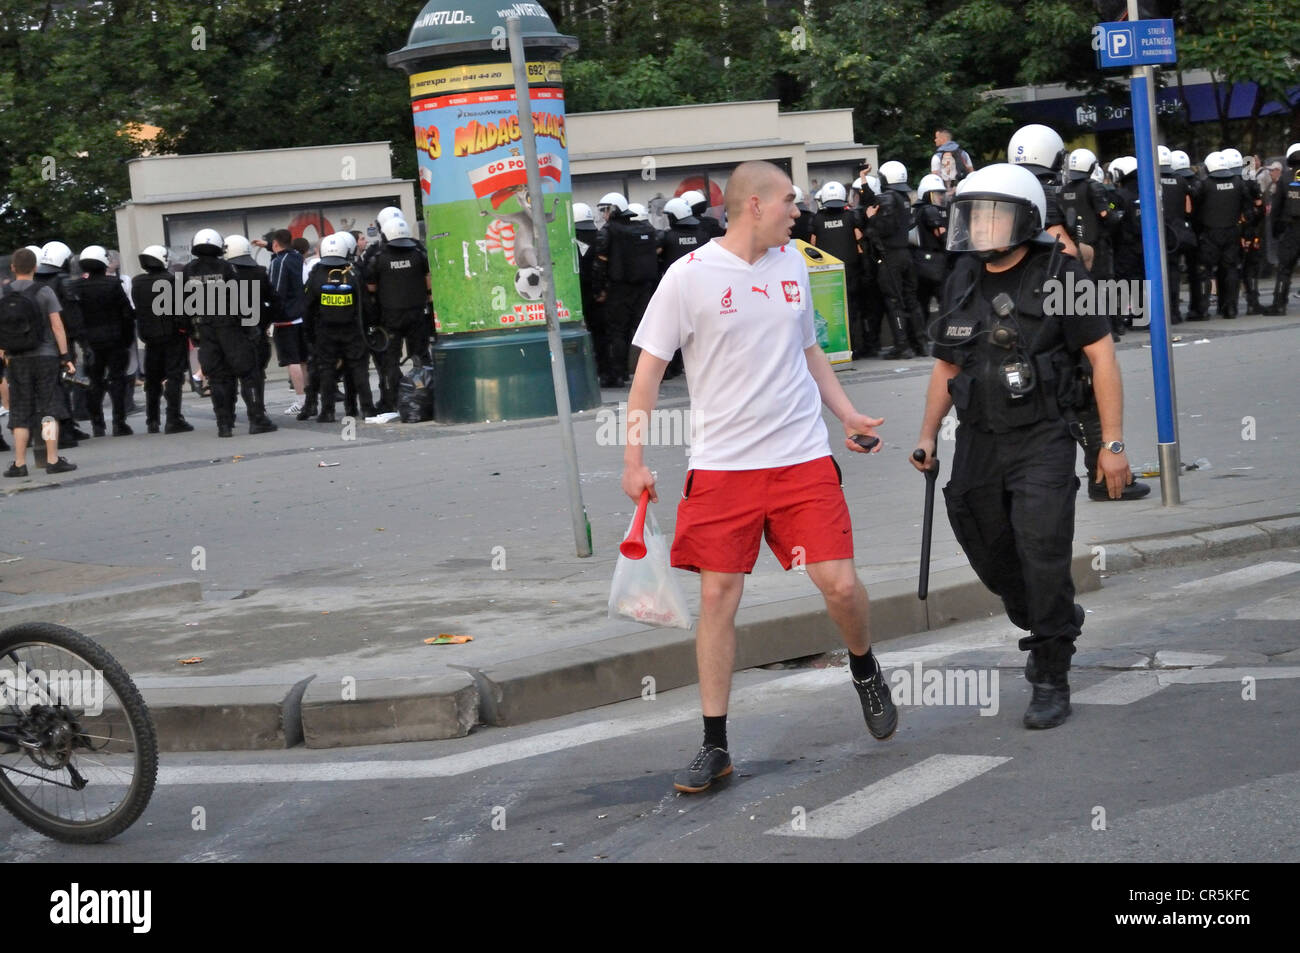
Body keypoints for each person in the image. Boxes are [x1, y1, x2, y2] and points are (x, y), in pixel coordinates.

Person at [623, 160, 897, 794]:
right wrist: (633, 461)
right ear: (753, 206)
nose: (796, 212)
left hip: (801, 457)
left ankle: (862, 665)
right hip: (723, 467)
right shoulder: (687, 278)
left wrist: (847, 412)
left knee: (840, 584)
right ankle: (714, 745)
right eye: (788, 203)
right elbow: (645, 376)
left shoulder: (794, 264)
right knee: (718, 600)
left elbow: (809, 351)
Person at [910, 164, 1134, 729]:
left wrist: (1111, 444)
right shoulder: (961, 276)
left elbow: (1102, 358)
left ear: (1025, 219)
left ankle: (1051, 670)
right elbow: (946, 362)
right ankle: (1045, 614)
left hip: (1043, 439)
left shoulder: (1061, 276)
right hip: (979, 440)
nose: (980, 226)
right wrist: (926, 433)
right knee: (985, 544)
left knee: (1042, 550)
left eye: (993, 214)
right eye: (973, 214)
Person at [2, 248, 77, 476]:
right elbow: (57, 326)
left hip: (16, 357)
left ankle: (19, 463)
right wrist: (65, 356)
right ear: (35, 267)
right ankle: (53, 460)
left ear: (13, 268)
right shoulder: (44, 291)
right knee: (48, 410)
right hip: (45, 356)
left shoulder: (4, 293)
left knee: (21, 410)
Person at [304, 233, 376, 423]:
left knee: (326, 371)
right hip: (353, 331)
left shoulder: (317, 274)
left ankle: (327, 411)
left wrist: (309, 334)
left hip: (325, 332)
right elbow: (366, 305)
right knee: (359, 370)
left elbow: (307, 306)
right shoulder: (352, 272)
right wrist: (369, 326)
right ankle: (367, 409)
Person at [592, 193, 658, 386]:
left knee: (617, 332)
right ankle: (648, 373)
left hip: (618, 290)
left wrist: (598, 290)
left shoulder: (609, 231)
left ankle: (618, 374)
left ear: (613, 210)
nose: (603, 214)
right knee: (641, 330)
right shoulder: (644, 229)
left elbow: (599, 265)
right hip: (643, 289)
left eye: (605, 210)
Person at [366, 216, 431, 413]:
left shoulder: (378, 258)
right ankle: (426, 395)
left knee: (390, 361)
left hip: (391, 318)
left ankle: (392, 401)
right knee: (421, 357)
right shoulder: (419, 254)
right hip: (417, 315)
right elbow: (428, 282)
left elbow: (370, 288)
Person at [73, 244, 136, 437]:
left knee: (94, 382)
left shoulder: (77, 287)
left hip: (91, 342)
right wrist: (126, 339)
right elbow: (127, 314)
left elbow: (76, 318)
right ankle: (119, 422)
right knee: (117, 380)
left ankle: (97, 424)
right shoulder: (113, 284)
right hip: (115, 339)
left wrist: (83, 342)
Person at [866, 160, 926, 358]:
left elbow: (883, 227)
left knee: (894, 301)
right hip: (905, 253)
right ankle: (921, 343)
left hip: (891, 256)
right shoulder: (904, 197)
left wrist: (871, 219)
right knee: (911, 299)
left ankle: (902, 346)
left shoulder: (889, 198)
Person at [131, 245, 193, 433]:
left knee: (152, 379)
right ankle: (173, 418)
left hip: (150, 338)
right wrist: (188, 330)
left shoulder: (137, 282)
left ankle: (152, 419)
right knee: (174, 377)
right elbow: (184, 310)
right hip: (173, 336)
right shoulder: (173, 281)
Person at [222, 234, 279, 433]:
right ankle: (257, 414)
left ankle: (226, 418)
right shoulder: (259, 272)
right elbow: (274, 300)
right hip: (256, 331)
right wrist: (266, 321)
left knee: (227, 376)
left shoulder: (223, 273)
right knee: (254, 375)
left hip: (229, 332)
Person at [1196, 151, 1249, 319]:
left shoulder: (1205, 184)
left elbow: (1196, 209)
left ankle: (1202, 309)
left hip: (1210, 232)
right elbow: (1247, 209)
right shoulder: (1238, 183)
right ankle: (1231, 308)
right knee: (1231, 269)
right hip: (1232, 230)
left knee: (1205, 271)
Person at [264, 229, 309, 416]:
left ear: (275, 244)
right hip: (301, 314)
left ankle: (301, 400)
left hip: (286, 318)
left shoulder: (278, 262)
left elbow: (276, 290)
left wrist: (270, 315)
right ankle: (309, 397)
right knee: (304, 359)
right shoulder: (297, 257)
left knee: (292, 361)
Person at [1265, 143, 1300, 315]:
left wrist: (1275, 231)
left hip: (1291, 229)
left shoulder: (1285, 178)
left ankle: (1279, 304)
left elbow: (1276, 208)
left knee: (1284, 269)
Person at [932, 128, 975, 195]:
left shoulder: (937, 157)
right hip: (962, 193)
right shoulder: (964, 154)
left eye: (936, 138)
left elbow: (935, 179)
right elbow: (971, 174)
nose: (935, 140)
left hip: (945, 195)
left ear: (943, 139)